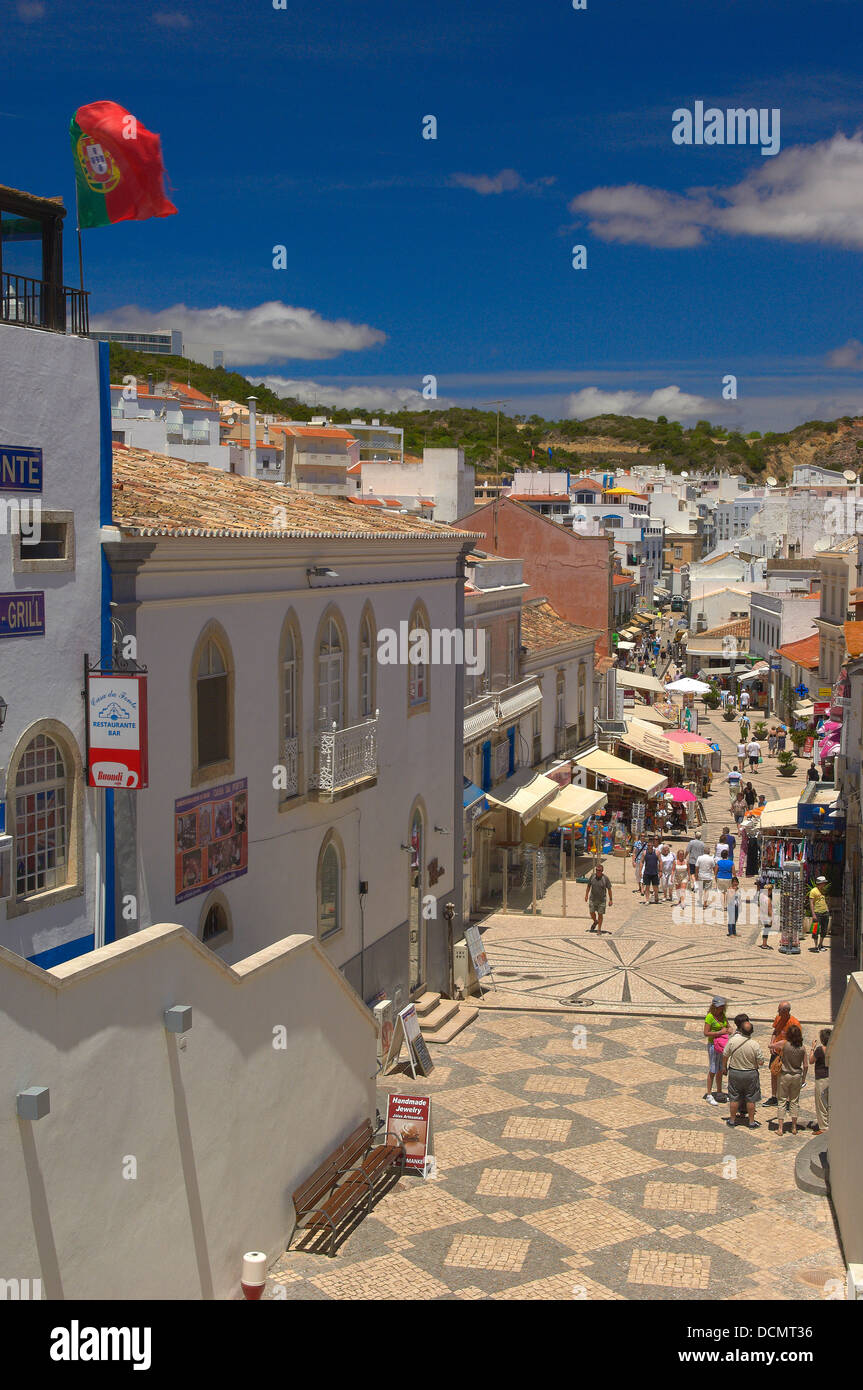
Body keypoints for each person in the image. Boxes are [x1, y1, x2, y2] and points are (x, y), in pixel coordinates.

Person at [723, 1015, 766, 1128]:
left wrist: (724, 1067)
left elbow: (725, 1055)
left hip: (735, 1072)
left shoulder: (733, 1041)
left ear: (740, 1029)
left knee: (734, 1096)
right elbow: (761, 1062)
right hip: (750, 1073)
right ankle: (751, 1122)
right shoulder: (755, 1044)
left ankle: (732, 1120)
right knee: (751, 1098)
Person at [765, 1001, 802, 1106]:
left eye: (780, 1010)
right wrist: (772, 1043)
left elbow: (797, 1041)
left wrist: (779, 1045)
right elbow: (775, 1032)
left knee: (787, 1075)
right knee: (773, 1072)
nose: (778, 1012)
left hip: (787, 1054)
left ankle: (788, 1101)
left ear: (786, 1011)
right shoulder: (778, 1018)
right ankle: (774, 1097)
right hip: (776, 1052)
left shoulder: (794, 1023)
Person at [776, 1024, 808, 1136]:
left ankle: (780, 1128)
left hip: (785, 1074)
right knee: (794, 1101)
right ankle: (794, 1127)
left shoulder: (785, 1045)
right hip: (797, 1075)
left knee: (782, 1101)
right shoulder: (802, 1048)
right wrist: (803, 1078)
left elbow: (771, 1045)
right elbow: (806, 1065)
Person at [703, 996, 730, 1105]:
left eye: (722, 1007)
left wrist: (728, 1030)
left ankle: (719, 1091)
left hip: (722, 1045)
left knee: (720, 1069)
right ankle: (709, 1094)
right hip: (713, 1045)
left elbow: (728, 1026)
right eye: (719, 1007)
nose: (721, 1009)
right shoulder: (709, 1017)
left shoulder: (723, 1016)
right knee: (713, 1069)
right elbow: (706, 1033)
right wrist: (719, 1033)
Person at [809, 1028, 831, 1134]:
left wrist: (812, 1048)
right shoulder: (834, 1048)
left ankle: (823, 1127)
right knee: (830, 1103)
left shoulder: (819, 1050)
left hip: (821, 1078)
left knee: (821, 1104)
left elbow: (811, 1060)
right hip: (831, 1077)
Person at [585, 861, 613, 934]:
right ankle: (595, 921)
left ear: (602, 871)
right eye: (596, 870)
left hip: (601, 900)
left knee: (600, 914)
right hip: (592, 898)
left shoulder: (605, 879)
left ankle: (599, 929)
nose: (598, 871)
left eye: (599, 870)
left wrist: (611, 900)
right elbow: (588, 886)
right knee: (591, 912)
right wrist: (586, 895)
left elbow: (609, 889)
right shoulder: (592, 876)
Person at [808, 876, 830, 951]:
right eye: (823, 883)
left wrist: (827, 909)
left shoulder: (823, 891)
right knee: (815, 930)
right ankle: (815, 946)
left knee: (824, 929)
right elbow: (811, 903)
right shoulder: (813, 891)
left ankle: (820, 945)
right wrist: (813, 914)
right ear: (820, 883)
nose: (824, 884)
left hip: (825, 913)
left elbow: (824, 901)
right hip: (817, 913)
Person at [695, 845, 717, 909]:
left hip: (700, 876)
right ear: (709, 852)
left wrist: (696, 875)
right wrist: (715, 874)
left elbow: (696, 867)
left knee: (701, 890)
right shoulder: (711, 858)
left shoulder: (699, 858)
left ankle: (700, 899)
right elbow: (714, 867)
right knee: (706, 891)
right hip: (708, 877)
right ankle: (705, 903)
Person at [641, 838, 661, 904]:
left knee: (655, 887)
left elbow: (660, 861)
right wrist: (640, 871)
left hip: (655, 872)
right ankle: (647, 900)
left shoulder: (657, 852)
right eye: (648, 845)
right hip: (647, 872)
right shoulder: (644, 853)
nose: (650, 847)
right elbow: (641, 862)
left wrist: (660, 871)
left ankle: (656, 897)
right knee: (647, 887)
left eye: (651, 845)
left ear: (653, 845)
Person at [758, 880, 773, 948]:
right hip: (767, 917)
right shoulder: (768, 899)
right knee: (766, 931)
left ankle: (763, 943)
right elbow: (769, 911)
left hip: (762, 914)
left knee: (765, 930)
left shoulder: (761, 895)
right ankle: (764, 944)